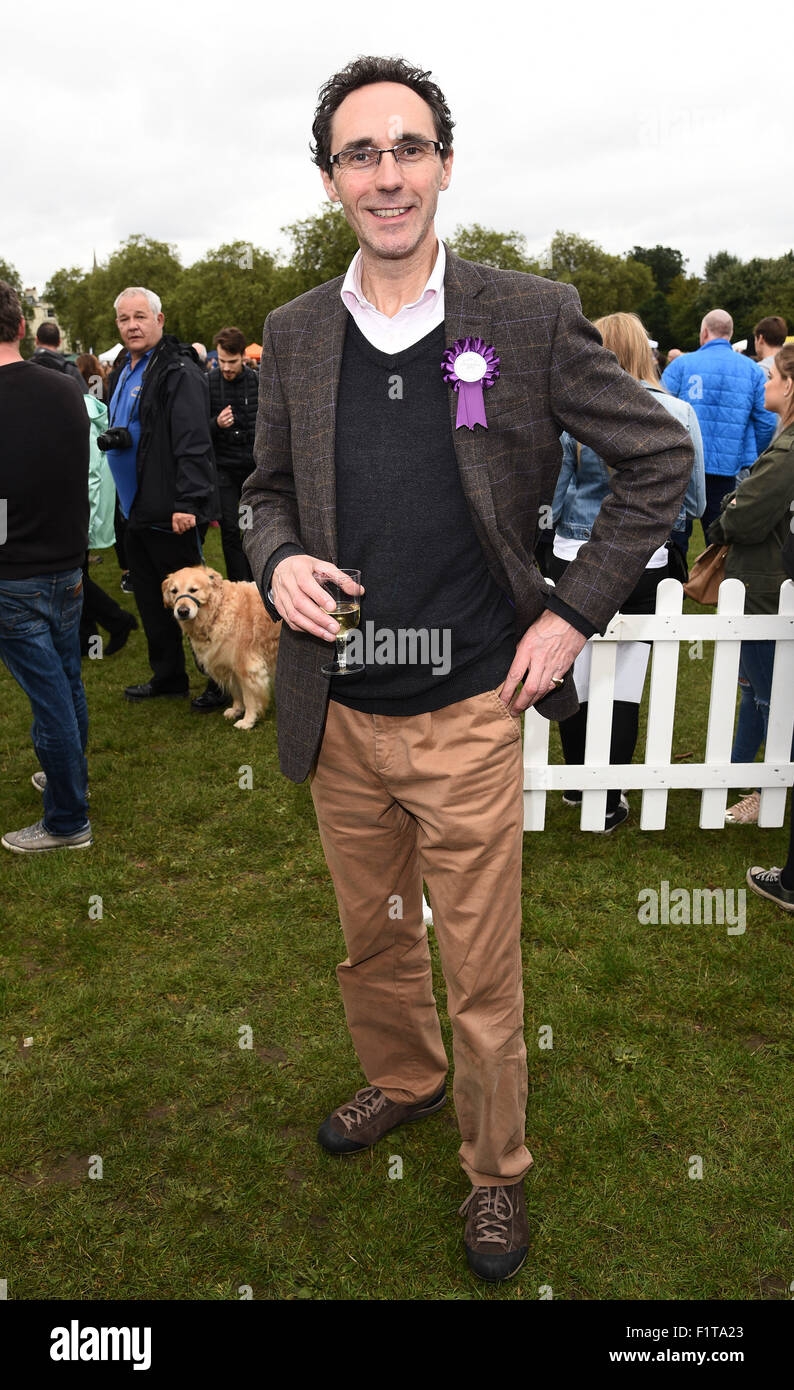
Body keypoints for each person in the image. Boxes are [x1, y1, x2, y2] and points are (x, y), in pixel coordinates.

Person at [240, 55, 693, 1283]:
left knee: (481, 971)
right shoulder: (290, 334)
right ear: (329, 179)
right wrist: (274, 556)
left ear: (443, 161)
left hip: (468, 715)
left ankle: (495, 1172)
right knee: (372, 943)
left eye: (407, 148)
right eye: (359, 154)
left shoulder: (526, 313)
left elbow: (657, 460)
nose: (386, 176)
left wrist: (573, 613)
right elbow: (263, 491)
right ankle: (401, 1077)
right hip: (336, 717)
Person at [551, 312, 705, 830]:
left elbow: (559, 490)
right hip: (641, 557)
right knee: (622, 679)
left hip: (575, 550)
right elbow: (696, 500)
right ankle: (608, 795)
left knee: (573, 670)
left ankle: (578, 784)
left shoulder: (576, 412)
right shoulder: (678, 411)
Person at [0, 281, 92, 852]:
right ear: (19, 326)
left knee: (51, 696)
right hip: (66, 562)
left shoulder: (57, 388)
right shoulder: (66, 389)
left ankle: (66, 819)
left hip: (17, 574)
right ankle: (71, 779)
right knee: (66, 680)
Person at [105, 287, 218, 702]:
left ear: (160, 319)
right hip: (134, 509)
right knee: (155, 604)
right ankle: (168, 677)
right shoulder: (122, 369)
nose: (132, 325)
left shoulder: (177, 370)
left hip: (172, 509)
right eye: (123, 319)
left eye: (139, 316)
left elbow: (193, 440)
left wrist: (187, 503)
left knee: (195, 599)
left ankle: (219, 681)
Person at [705, 344, 794, 825]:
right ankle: (747, 774)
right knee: (758, 688)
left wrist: (726, 515)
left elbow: (746, 516)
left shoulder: (787, 448)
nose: (764, 385)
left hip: (765, 586)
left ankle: (768, 790)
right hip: (769, 581)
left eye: (770, 377)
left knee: (771, 696)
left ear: (790, 386)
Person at [662, 309, 776, 538]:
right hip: (728, 464)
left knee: (677, 534)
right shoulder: (752, 370)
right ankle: (715, 575)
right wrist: (746, 452)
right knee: (717, 536)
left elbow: (661, 410)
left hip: (684, 462)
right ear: (730, 333)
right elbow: (767, 421)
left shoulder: (682, 365)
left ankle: (677, 574)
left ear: (704, 332)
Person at [191, 327, 258, 713]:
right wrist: (216, 424)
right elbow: (196, 431)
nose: (228, 368)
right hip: (224, 473)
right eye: (223, 361)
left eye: (233, 362)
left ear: (243, 359)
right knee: (232, 532)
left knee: (254, 531)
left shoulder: (258, 381)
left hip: (254, 470)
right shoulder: (206, 383)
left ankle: (260, 589)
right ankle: (239, 588)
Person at [74, 354, 138, 658]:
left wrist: (86, 520)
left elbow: (90, 471)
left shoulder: (81, 412)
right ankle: (88, 639)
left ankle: (117, 620)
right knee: (76, 573)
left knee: (72, 575)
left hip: (79, 508)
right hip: (80, 506)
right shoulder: (87, 408)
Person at [28, 321, 86, 392]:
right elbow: (85, 399)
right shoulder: (70, 370)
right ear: (59, 342)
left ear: (36, 340)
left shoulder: (22, 369)